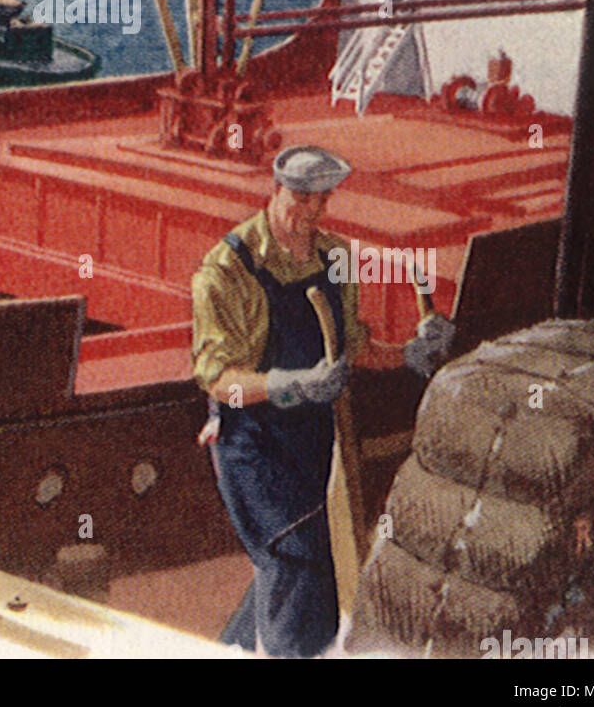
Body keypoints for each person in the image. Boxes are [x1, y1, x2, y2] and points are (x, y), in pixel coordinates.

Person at [191, 143, 455, 658]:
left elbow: (354, 350)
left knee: (294, 566)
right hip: (252, 447)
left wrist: (410, 353)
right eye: (302, 199)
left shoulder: (334, 256)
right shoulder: (228, 269)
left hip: (310, 445)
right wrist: (295, 384)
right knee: (298, 561)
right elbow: (219, 381)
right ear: (275, 190)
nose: (312, 213)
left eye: (322, 201)